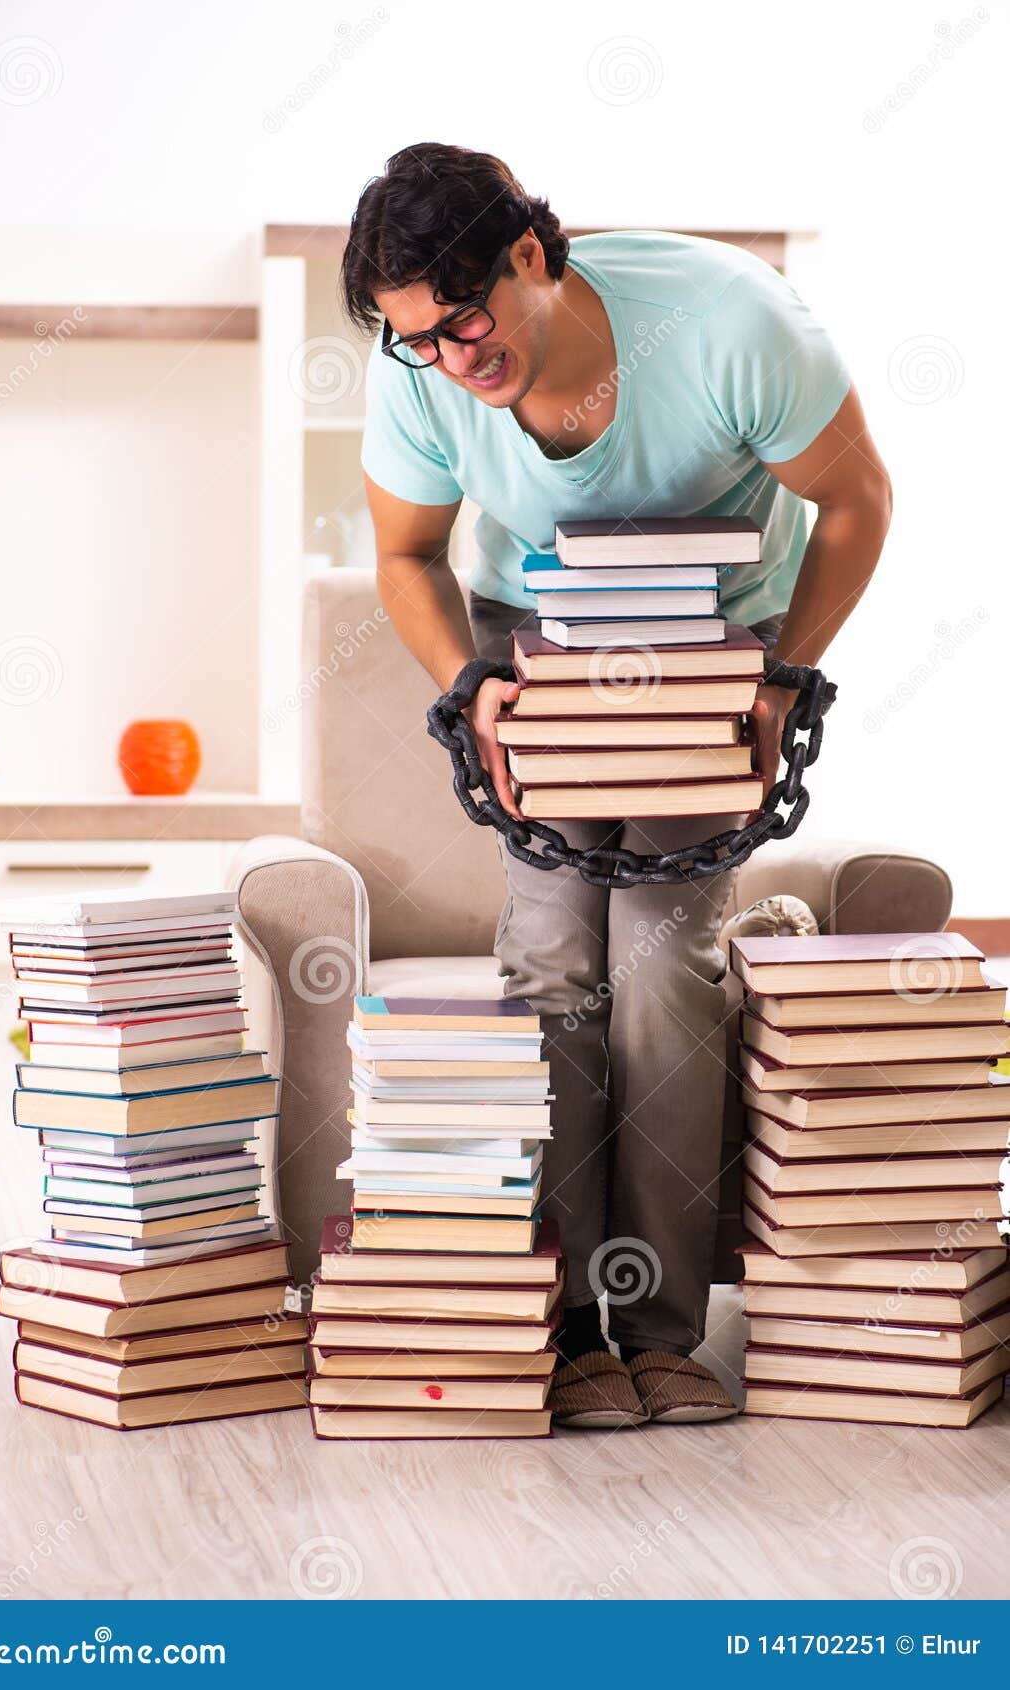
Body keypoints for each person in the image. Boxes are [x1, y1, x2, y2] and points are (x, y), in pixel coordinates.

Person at [342, 142, 892, 1427]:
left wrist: (780, 681)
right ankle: (566, 1326)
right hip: (538, 651)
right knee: (549, 961)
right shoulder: (419, 374)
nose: (452, 361)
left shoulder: (731, 325)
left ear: (531, 252)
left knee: (664, 970)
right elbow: (409, 554)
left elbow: (859, 501)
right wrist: (470, 686)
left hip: (711, 655)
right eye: (419, 340)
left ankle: (659, 1331)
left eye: (467, 320)